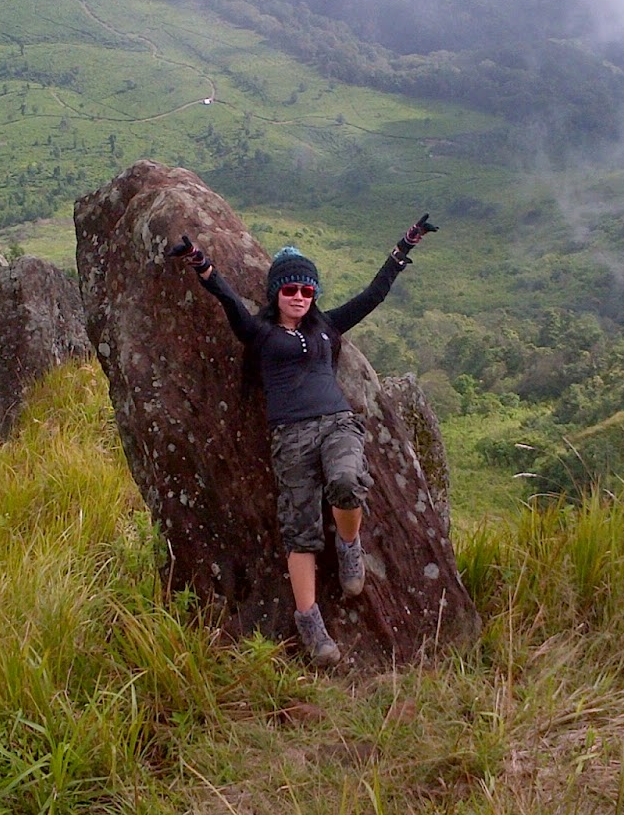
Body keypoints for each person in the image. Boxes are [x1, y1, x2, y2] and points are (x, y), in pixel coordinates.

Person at [168, 213, 438, 665]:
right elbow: (227, 298)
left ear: (314, 295)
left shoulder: (327, 326)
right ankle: (311, 625)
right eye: (290, 289)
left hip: (337, 423)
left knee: (349, 481)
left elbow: (373, 295)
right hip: (289, 436)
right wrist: (199, 261)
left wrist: (404, 245)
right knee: (300, 531)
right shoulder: (260, 332)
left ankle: (350, 546)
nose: (298, 297)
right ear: (276, 293)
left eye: (306, 290)